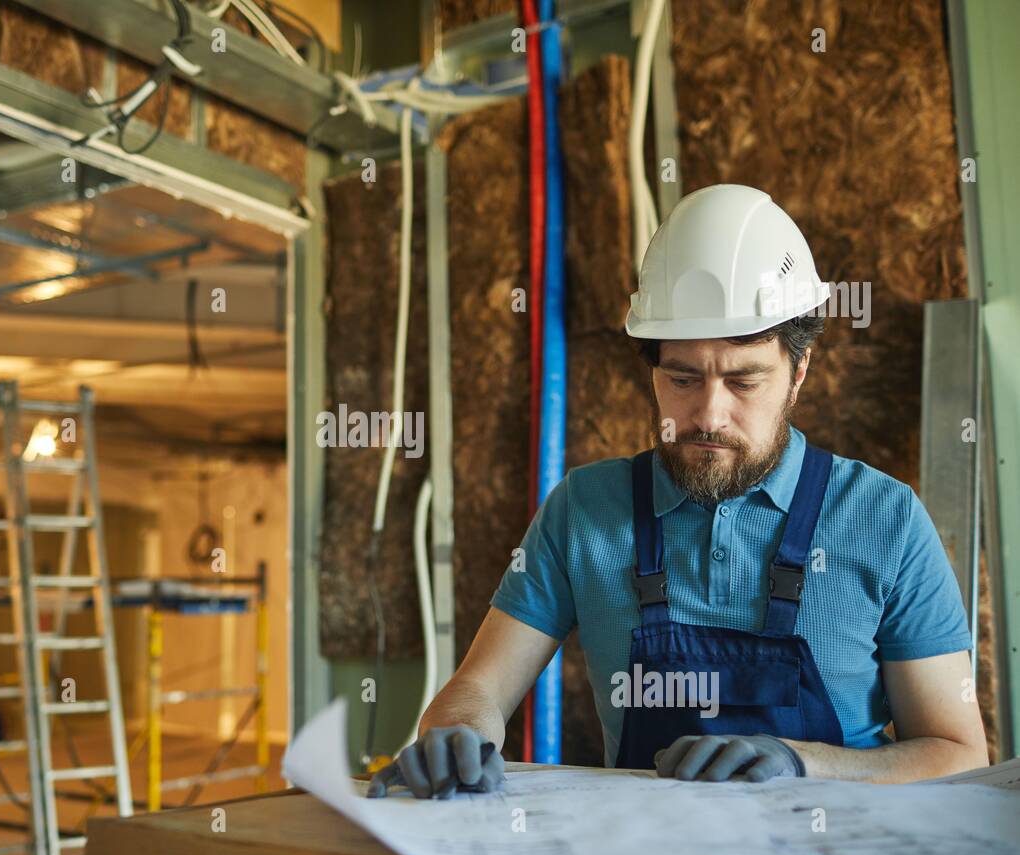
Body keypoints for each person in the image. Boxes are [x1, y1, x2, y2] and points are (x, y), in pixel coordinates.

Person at [369, 184, 988, 798]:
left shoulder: (885, 517)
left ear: (799, 373)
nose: (708, 415)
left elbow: (957, 754)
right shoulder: (585, 510)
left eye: (744, 382)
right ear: (652, 368)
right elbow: (478, 691)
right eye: (683, 378)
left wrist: (801, 762)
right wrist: (456, 733)